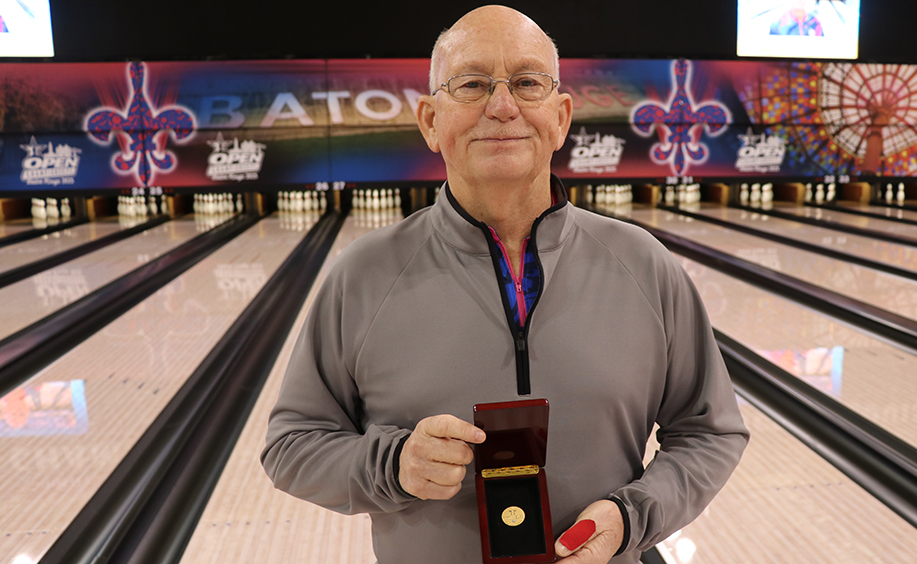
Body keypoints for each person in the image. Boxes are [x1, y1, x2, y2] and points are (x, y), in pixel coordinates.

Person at [262, 6, 748, 563]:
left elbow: (711, 432)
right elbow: (292, 447)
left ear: (561, 117)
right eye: (471, 84)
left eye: (527, 83)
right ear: (430, 121)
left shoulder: (644, 265)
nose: (501, 106)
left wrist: (631, 517)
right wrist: (392, 466)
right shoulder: (363, 275)